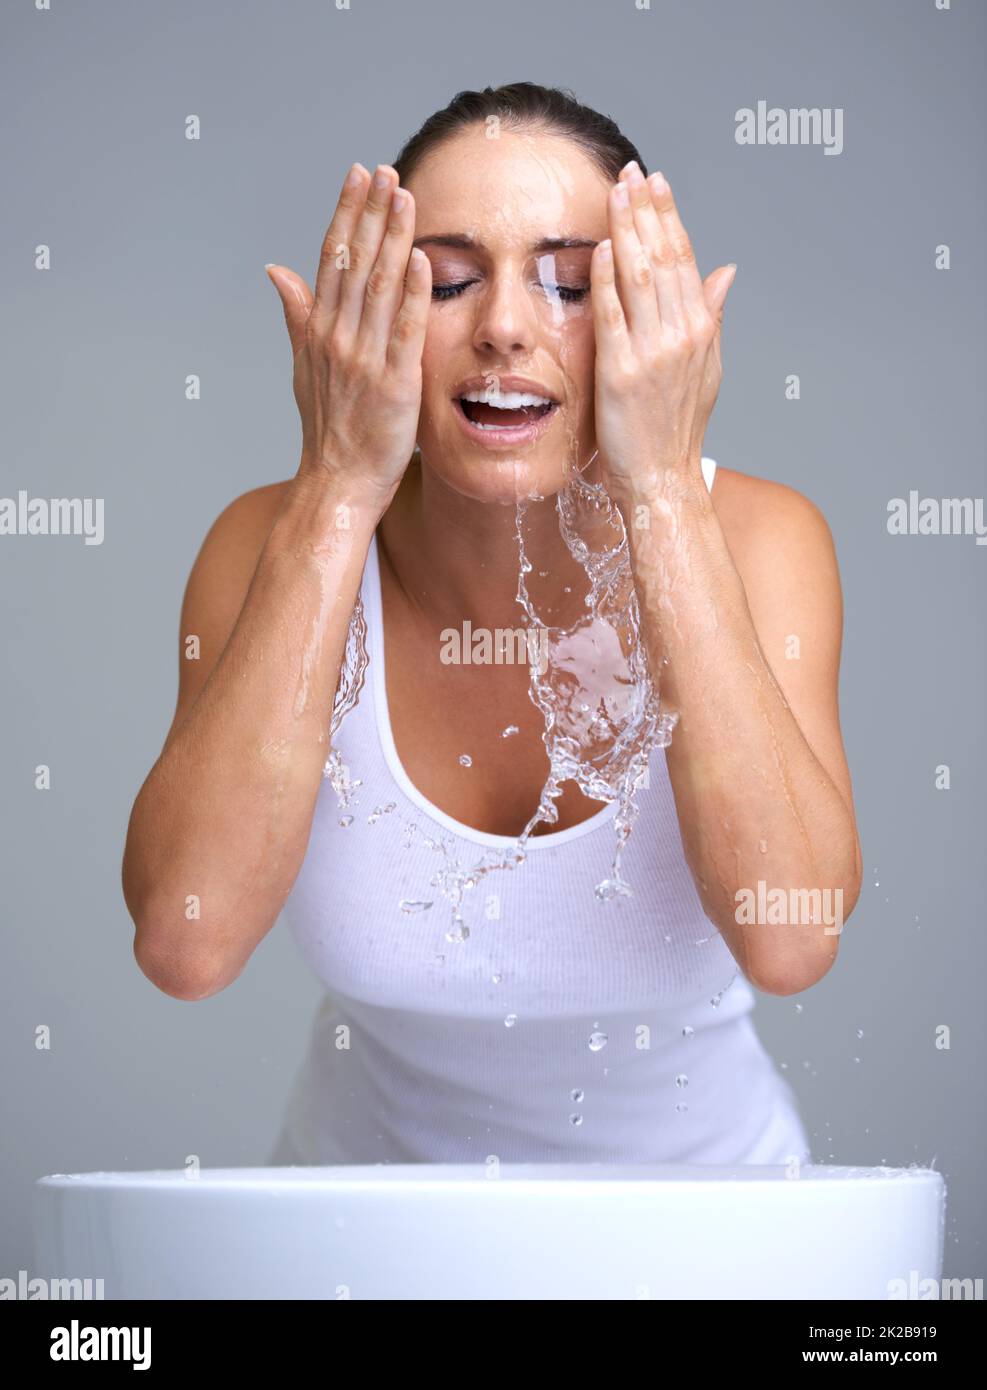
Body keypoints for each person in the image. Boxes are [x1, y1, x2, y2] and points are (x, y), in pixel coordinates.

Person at [122, 84, 861, 1166]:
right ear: (375, 316)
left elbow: (791, 938)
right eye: (450, 282)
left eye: (567, 283)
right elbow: (186, 942)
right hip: (358, 1249)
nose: (505, 328)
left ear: (644, 318)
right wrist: (334, 488)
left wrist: (660, 492)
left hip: (707, 1244)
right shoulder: (269, 544)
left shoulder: (760, 539)